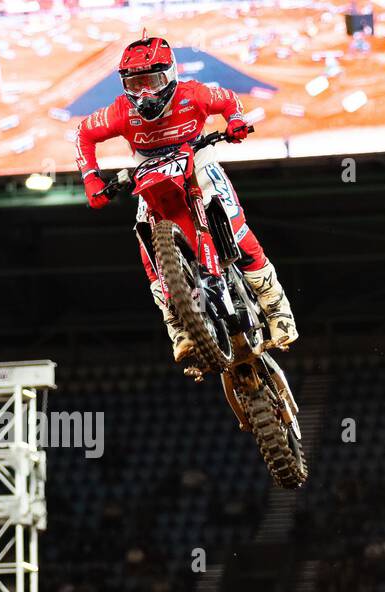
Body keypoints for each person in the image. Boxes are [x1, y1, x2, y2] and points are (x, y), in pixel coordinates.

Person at [74, 35, 298, 362]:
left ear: (171, 75)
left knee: (235, 227)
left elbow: (227, 99)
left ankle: (277, 310)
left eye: (153, 81)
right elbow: (84, 133)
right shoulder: (121, 112)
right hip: (149, 172)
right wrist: (91, 177)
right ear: (124, 85)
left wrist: (235, 120)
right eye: (136, 84)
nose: (146, 93)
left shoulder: (193, 94)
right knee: (146, 243)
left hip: (199, 162)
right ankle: (178, 327)